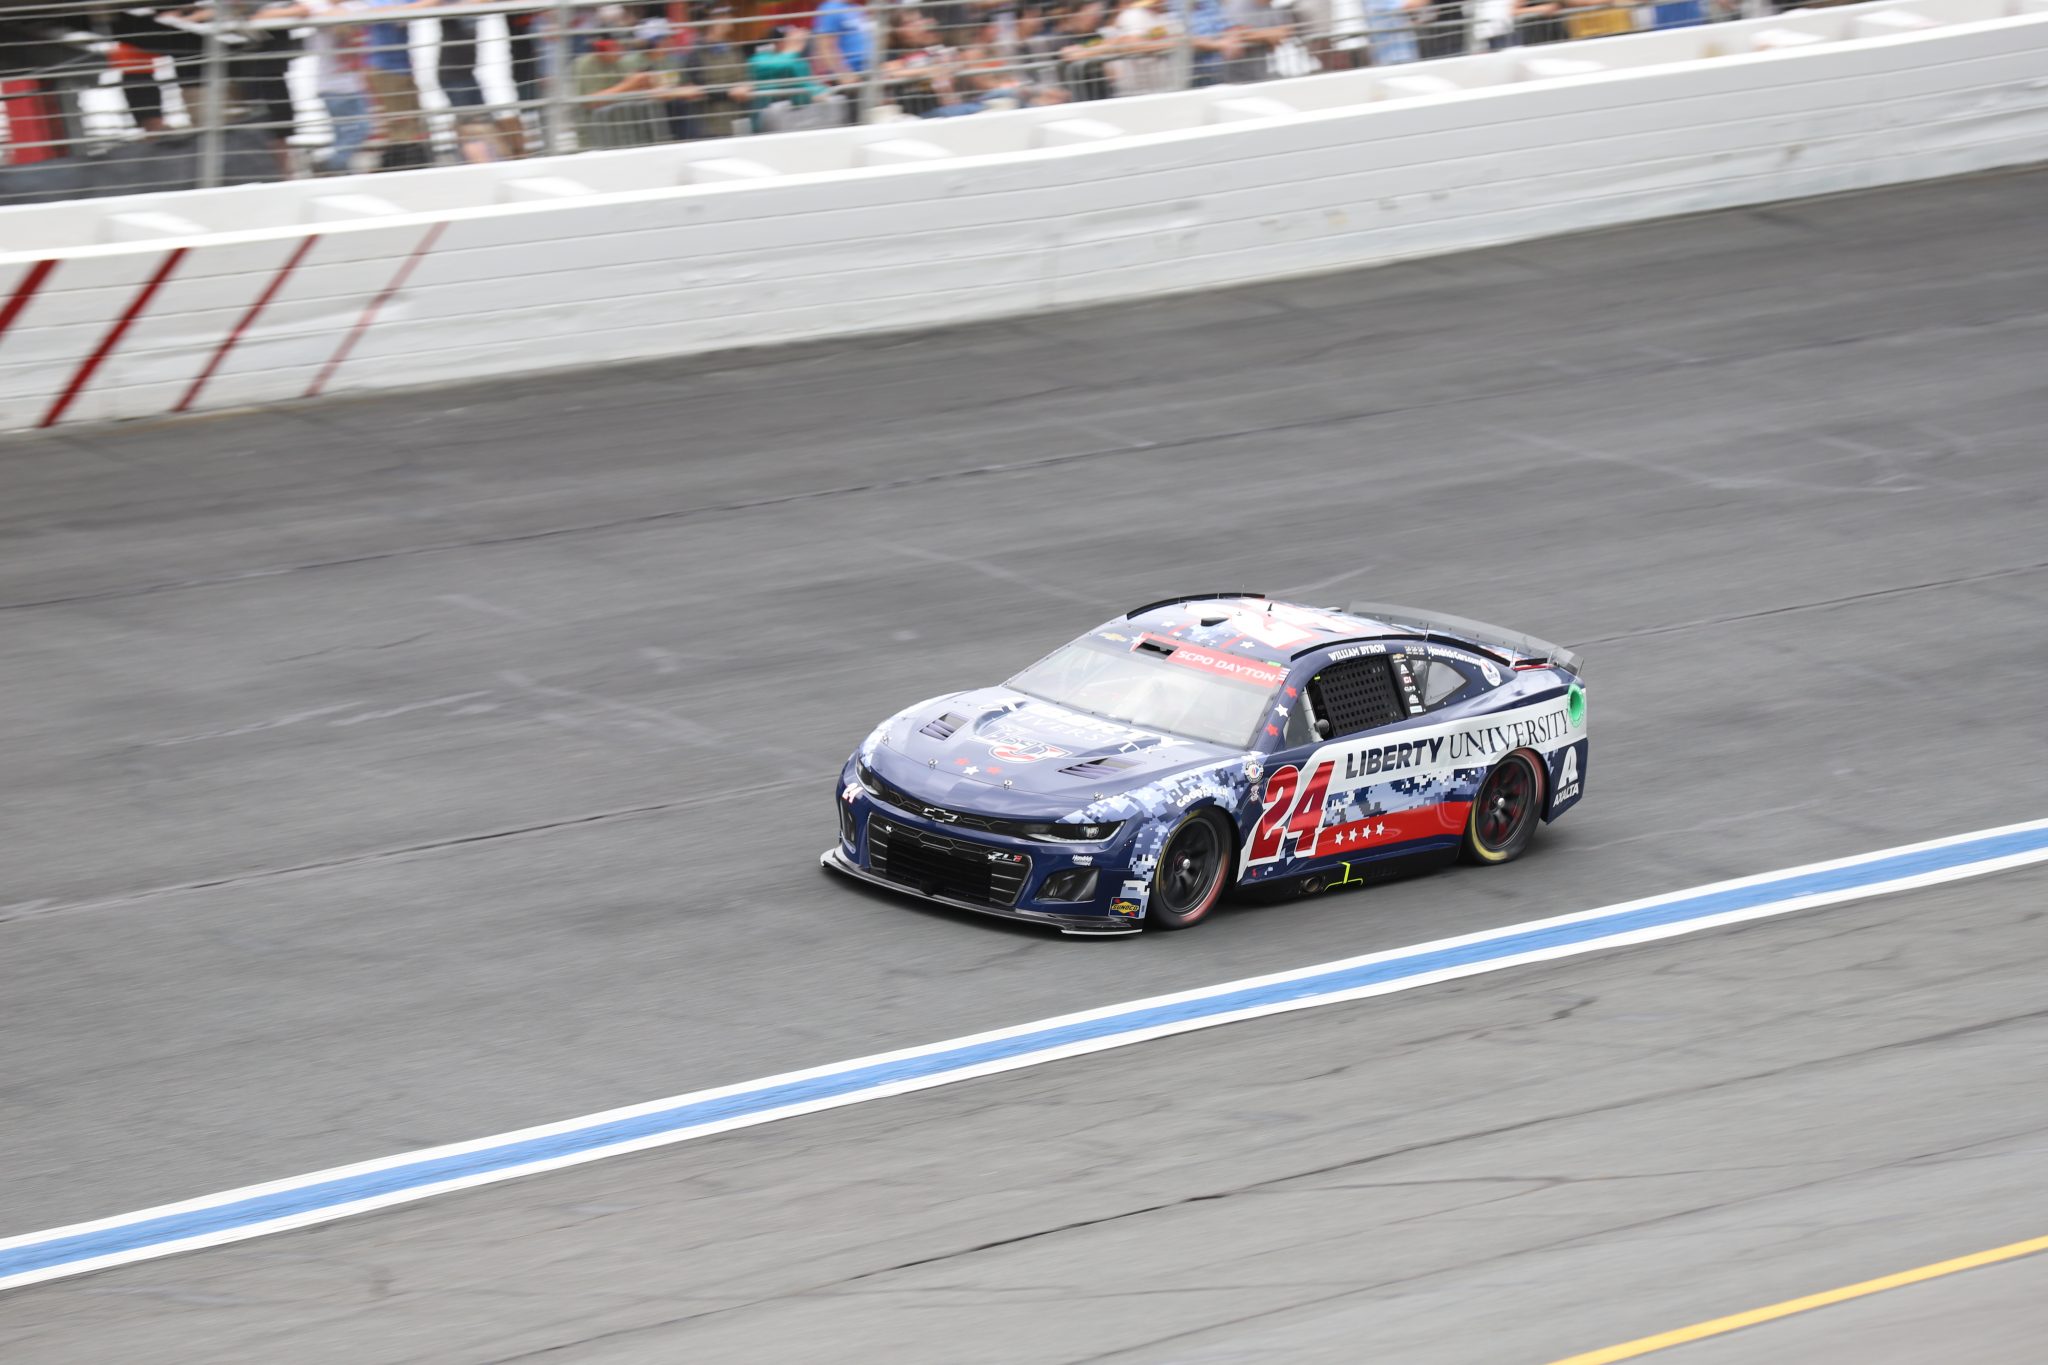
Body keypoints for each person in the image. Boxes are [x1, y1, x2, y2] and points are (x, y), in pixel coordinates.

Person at [656, 5, 754, 141]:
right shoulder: (694, 53)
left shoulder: (733, 49)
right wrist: (729, 91)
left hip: (737, 118)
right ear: (711, 22)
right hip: (709, 125)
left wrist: (746, 86)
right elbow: (688, 87)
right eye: (723, 16)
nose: (730, 19)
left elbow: (744, 76)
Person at [571, 34, 663, 148]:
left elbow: (632, 91)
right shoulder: (585, 64)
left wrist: (644, 84)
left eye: (619, 47)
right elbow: (591, 102)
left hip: (618, 132)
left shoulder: (620, 63)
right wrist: (629, 85)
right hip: (594, 134)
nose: (620, 51)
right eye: (614, 47)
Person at [811, 0, 876, 83]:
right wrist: (843, 74)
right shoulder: (830, 9)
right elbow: (826, 46)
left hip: (869, 68)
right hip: (853, 72)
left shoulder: (856, 8)